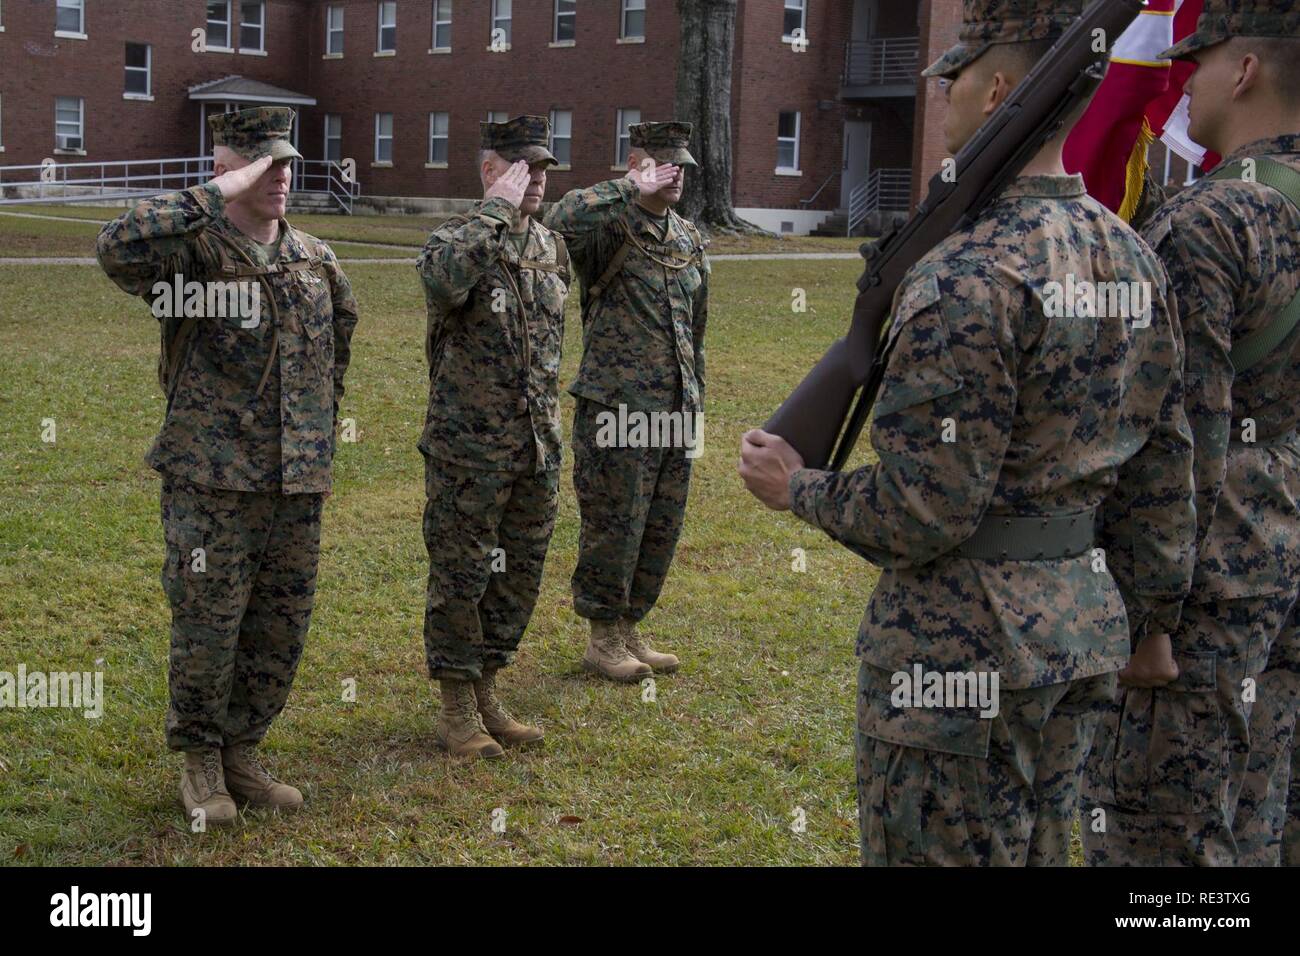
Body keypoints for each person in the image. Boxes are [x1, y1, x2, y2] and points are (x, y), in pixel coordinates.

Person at [739, 0, 1196, 865]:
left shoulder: (965, 274)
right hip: (1081, 640)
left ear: (994, 91)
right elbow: (1164, 467)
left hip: (959, 657)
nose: (938, 88)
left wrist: (795, 487)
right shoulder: (1130, 254)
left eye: (952, 73)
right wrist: (1152, 619)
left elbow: (923, 513)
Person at [1082, 0, 1300, 866]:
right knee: (1261, 820)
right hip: (1285, 564)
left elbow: (1178, 444)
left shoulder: (1210, 221)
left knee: (1163, 849)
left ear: (1242, 71)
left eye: (1198, 65)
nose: (1185, 85)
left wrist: (1147, 619)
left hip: (1206, 599)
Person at [96, 106, 359, 824]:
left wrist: (314, 440)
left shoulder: (316, 259)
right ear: (228, 166)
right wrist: (218, 189)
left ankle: (243, 751)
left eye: (287, 162)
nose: (280, 176)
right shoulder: (191, 258)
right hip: (212, 481)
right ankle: (200, 763)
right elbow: (117, 246)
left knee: (280, 626)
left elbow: (339, 346)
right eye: (263, 163)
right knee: (209, 624)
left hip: (296, 482)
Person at [416, 116, 569, 758]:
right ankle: (456, 708)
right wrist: (494, 215)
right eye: (521, 166)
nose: (534, 178)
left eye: (541, 168)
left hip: (536, 447)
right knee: (462, 574)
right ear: (490, 171)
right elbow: (444, 283)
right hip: (469, 448)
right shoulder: (454, 239)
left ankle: (488, 689)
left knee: (519, 572)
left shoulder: (552, 247)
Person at [544, 122, 709, 682]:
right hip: (619, 405)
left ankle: (631, 624)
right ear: (638, 164)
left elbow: (696, 325)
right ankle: (601, 636)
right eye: (664, 165)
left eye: (682, 166)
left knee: (660, 524)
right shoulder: (608, 226)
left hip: (677, 407)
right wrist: (626, 187)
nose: (677, 174)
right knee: (616, 521)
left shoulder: (687, 237)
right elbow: (559, 220)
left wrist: (696, 400)